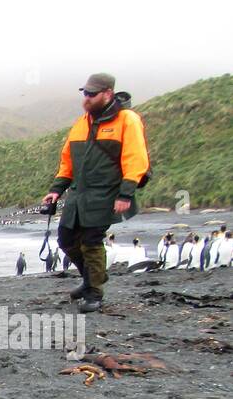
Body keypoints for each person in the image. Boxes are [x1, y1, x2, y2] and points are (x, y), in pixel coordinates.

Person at [40, 72, 150, 312]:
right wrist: (56, 190)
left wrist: (126, 193)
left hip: (106, 193)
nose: (86, 98)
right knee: (66, 239)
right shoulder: (83, 122)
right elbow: (67, 161)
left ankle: (95, 293)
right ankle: (91, 278)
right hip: (79, 194)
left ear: (108, 93)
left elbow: (136, 158)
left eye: (92, 94)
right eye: (85, 93)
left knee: (91, 241)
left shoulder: (127, 120)